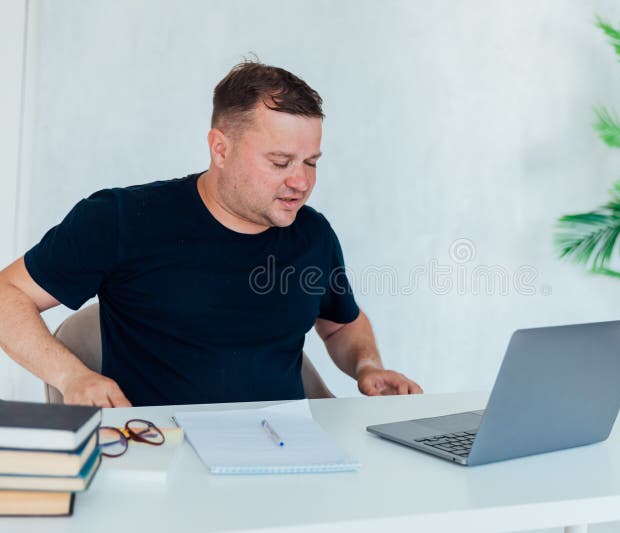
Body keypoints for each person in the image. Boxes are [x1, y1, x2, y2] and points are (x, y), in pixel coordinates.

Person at [0, 60, 422, 407]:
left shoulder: (312, 234)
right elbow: (8, 296)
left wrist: (367, 365)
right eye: (280, 162)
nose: (301, 182)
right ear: (220, 149)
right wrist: (71, 376)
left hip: (290, 462)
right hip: (162, 458)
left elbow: (340, 325)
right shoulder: (122, 218)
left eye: (311, 162)